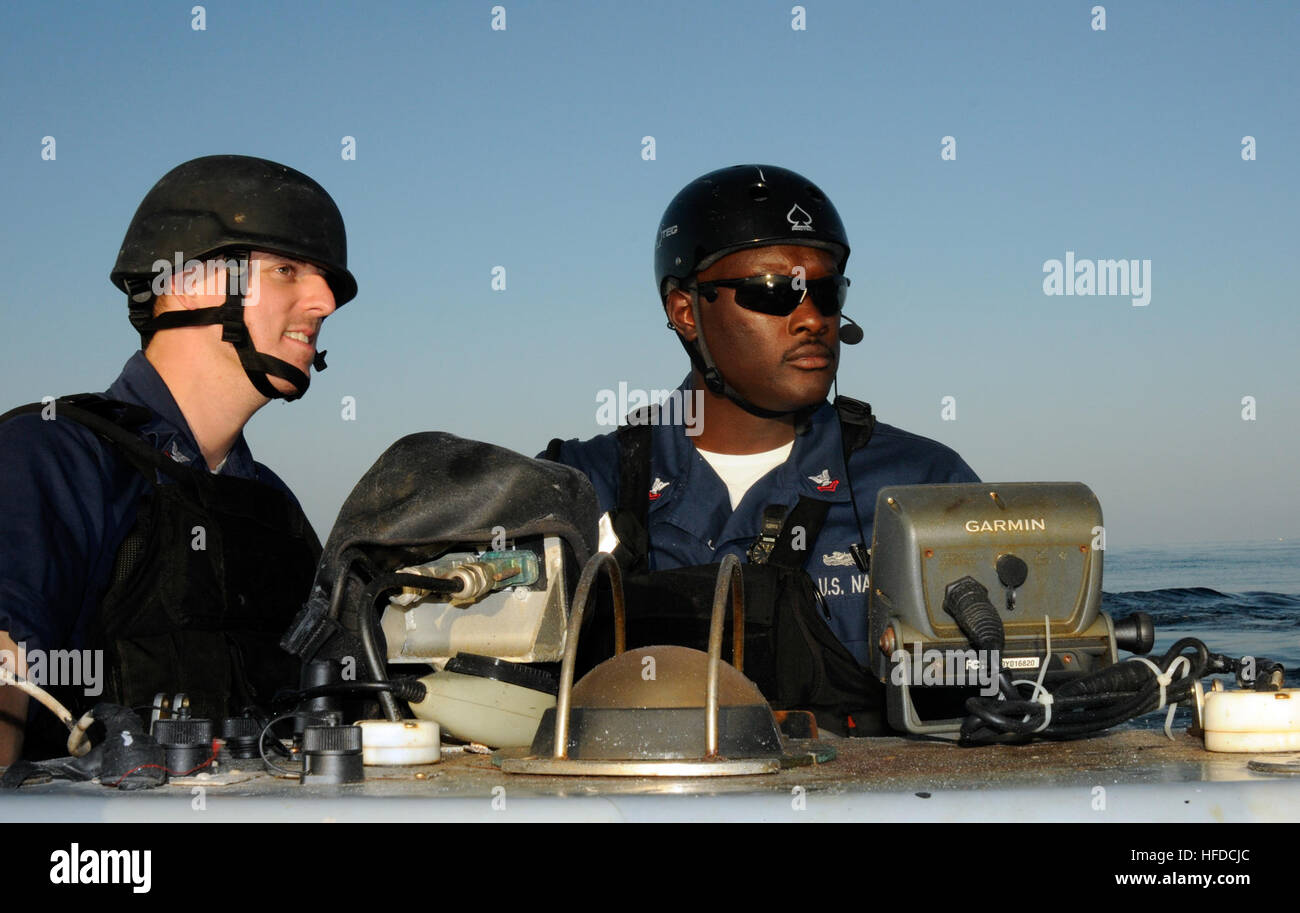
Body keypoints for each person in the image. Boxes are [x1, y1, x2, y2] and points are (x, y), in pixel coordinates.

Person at [547, 164, 978, 709]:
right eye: (773, 292)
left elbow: (1000, 695)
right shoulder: (583, 489)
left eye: (826, 292)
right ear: (685, 311)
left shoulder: (926, 487)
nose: (810, 319)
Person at [0, 155, 358, 762]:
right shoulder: (49, 455)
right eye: (287, 270)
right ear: (186, 282)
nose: (324, 301)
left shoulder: (275, 507)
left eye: (325, 280)